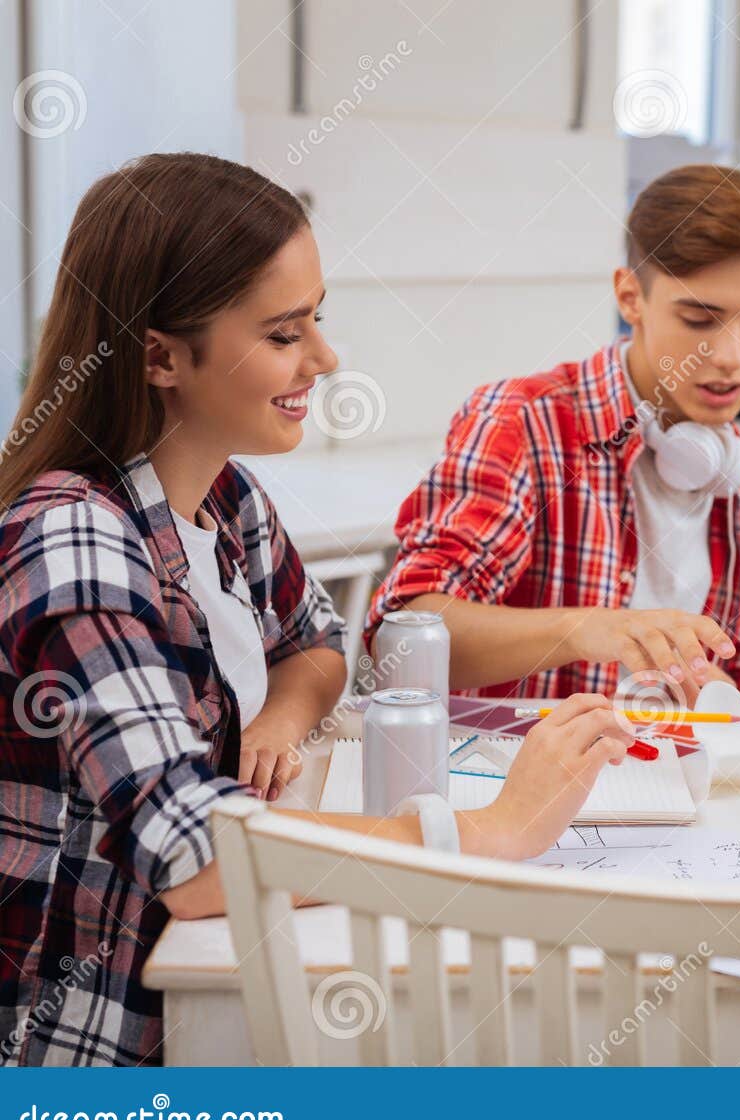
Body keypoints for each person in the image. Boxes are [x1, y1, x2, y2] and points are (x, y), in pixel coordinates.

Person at [0, 154, 631, 1066]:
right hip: (96, 1062)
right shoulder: (74, 541)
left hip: (202, 992)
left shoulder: (227, 500)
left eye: (317, 320)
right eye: (286, 333)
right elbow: (196, 856)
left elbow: (319, 643)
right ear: (160, 356)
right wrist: (489, 832)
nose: (326, 359)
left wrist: (278, 719)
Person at [369, 164, 740, 705]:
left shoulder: (733, 472)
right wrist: (588, 630)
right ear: (630, 297)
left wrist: (728, 702)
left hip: (669, 775)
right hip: (519, 774)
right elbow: (400, 641)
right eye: (699, 320)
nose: (733, 358)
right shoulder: (523, 422)